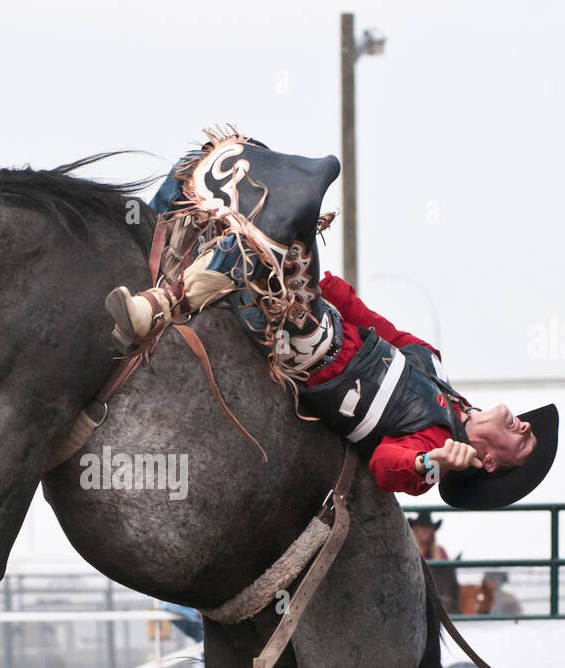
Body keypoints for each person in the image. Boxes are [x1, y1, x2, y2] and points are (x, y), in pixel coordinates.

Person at [106, 132, 559, 508]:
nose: (525, 426)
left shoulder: (431, 442)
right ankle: (147, 235)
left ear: (492, 463)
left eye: (525, 443)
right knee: (233, 156)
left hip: (306, 353)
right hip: (316, 314)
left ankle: (157, 306)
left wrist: (435, 462)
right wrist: (316, 281)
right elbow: (373, 323)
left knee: (266, 241)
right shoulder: (434, 367)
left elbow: (387, 466)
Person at [407, 511, 460, 611]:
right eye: (422, 527)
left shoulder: (441, 552)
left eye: (428, 527)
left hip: (438, 596)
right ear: (416, 529)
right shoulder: (409, 551)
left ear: (432, 530)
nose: (425, 531)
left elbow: (448, 579)